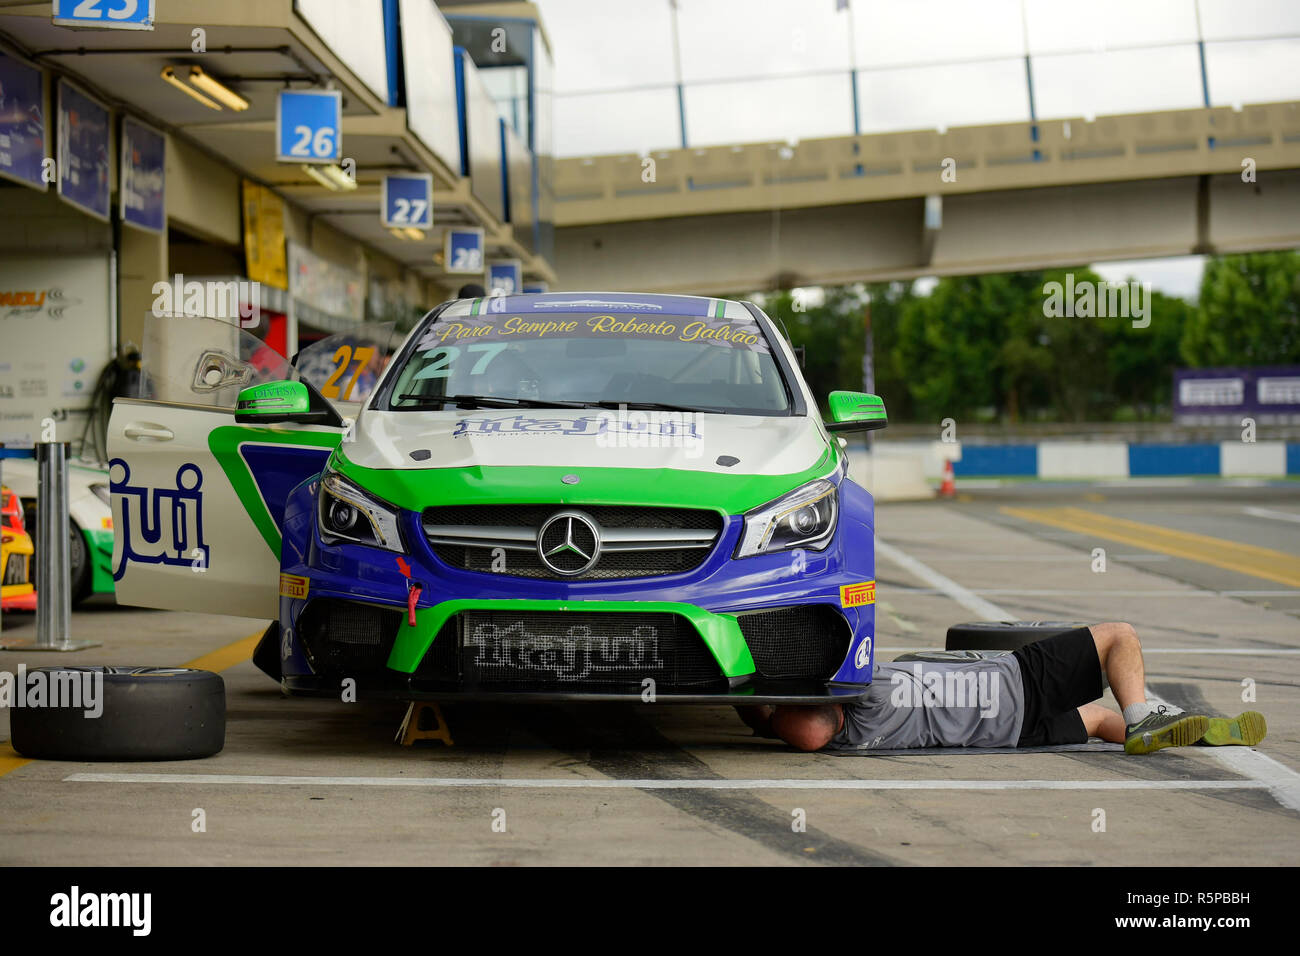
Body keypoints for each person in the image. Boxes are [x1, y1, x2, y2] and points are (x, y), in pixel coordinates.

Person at [738, 623, 1267, 755]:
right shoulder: (848, 715)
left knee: (1097, 720)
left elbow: (803, 729)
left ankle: (1192, 731)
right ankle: (1147, 717)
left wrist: (757, 709)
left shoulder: (854, 709)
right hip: (1012, 682)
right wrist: (761, 708)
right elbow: (808, 732)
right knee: (1119, 636)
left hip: (1007, 732)